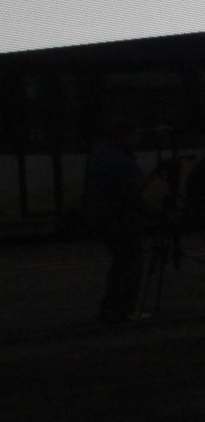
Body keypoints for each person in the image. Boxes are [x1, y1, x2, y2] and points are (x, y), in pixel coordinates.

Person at [82, 123, 145, 323]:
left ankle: (111, 308)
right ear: (126, 136)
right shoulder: (122, 161)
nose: (139, 140)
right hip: (117, 218)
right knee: (131, 261)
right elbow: (132, 196)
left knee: (121, 261)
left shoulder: (102, 152)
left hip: (102, 216)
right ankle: (124, 309)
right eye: (136, 135)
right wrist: (154, 214)